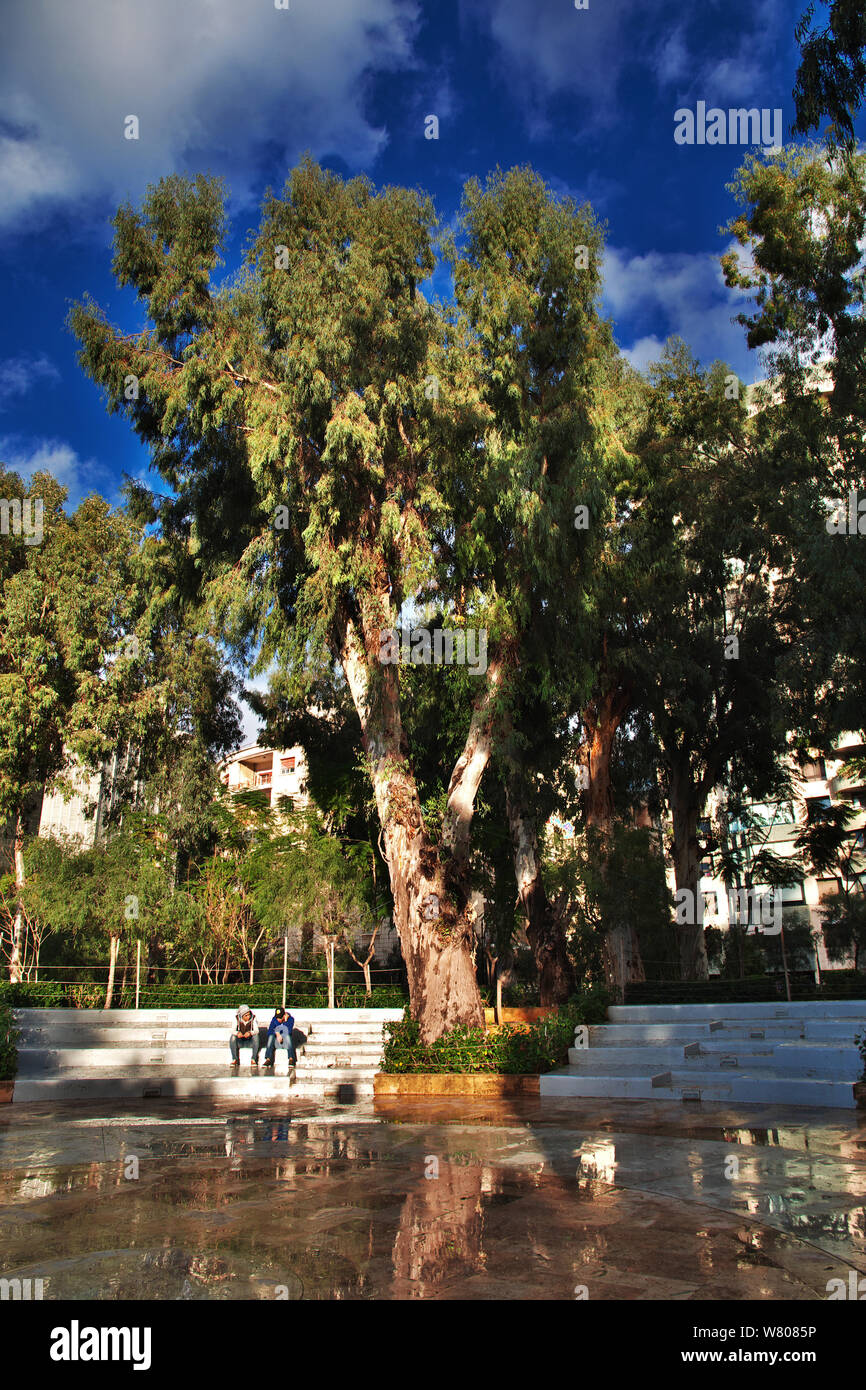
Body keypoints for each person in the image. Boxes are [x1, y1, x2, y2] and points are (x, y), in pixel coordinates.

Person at [262, 1005, 297, 1069]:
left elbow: (288, 1031)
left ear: (284, 1015)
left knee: (288, 1037)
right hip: (276, 1040)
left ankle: (291, 1058)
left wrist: (285, 1022)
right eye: (277, 1018)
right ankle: (268, 1059)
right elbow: (270, 1031)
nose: (278, 1019)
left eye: (280, 1018)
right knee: (271, 1037)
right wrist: (277, 1033)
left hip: (285, 1040)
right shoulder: (274, 1019)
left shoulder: (290, 1019)